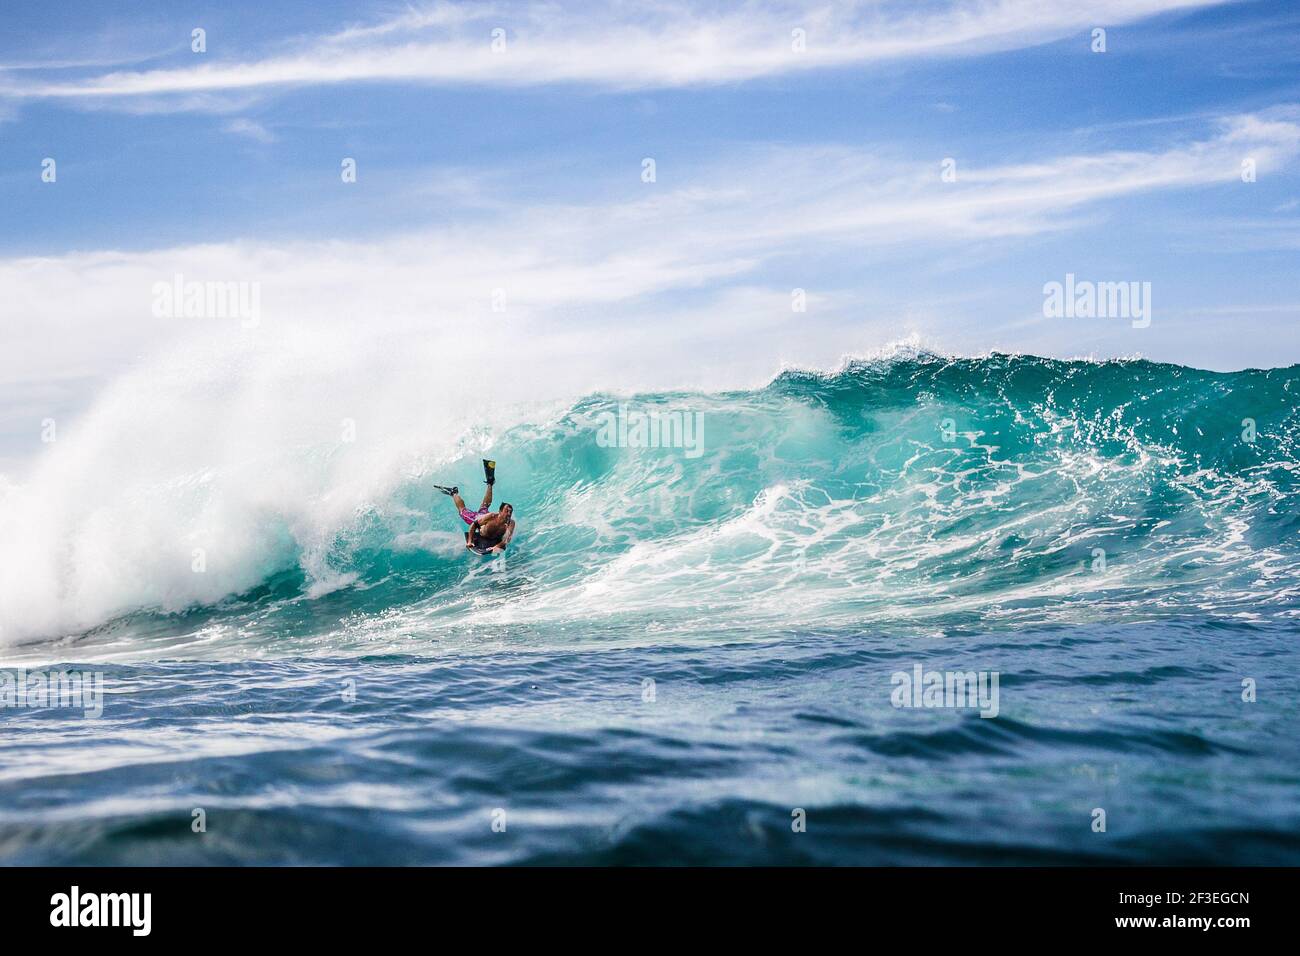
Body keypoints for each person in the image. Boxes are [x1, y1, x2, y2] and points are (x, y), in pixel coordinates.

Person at [435, 459, 516, 553]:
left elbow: (507, 539)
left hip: (485, 518)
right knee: (462, 511)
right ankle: (454, 492)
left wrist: (497, 546)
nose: (509, 513)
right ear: (500, 511)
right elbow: (474, 525)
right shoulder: (491, 517)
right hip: (477, 518)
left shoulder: (511, 523)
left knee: (484, 507)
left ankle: (490, 484)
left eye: (510, 511)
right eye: (507, 511)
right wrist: (470, 541)